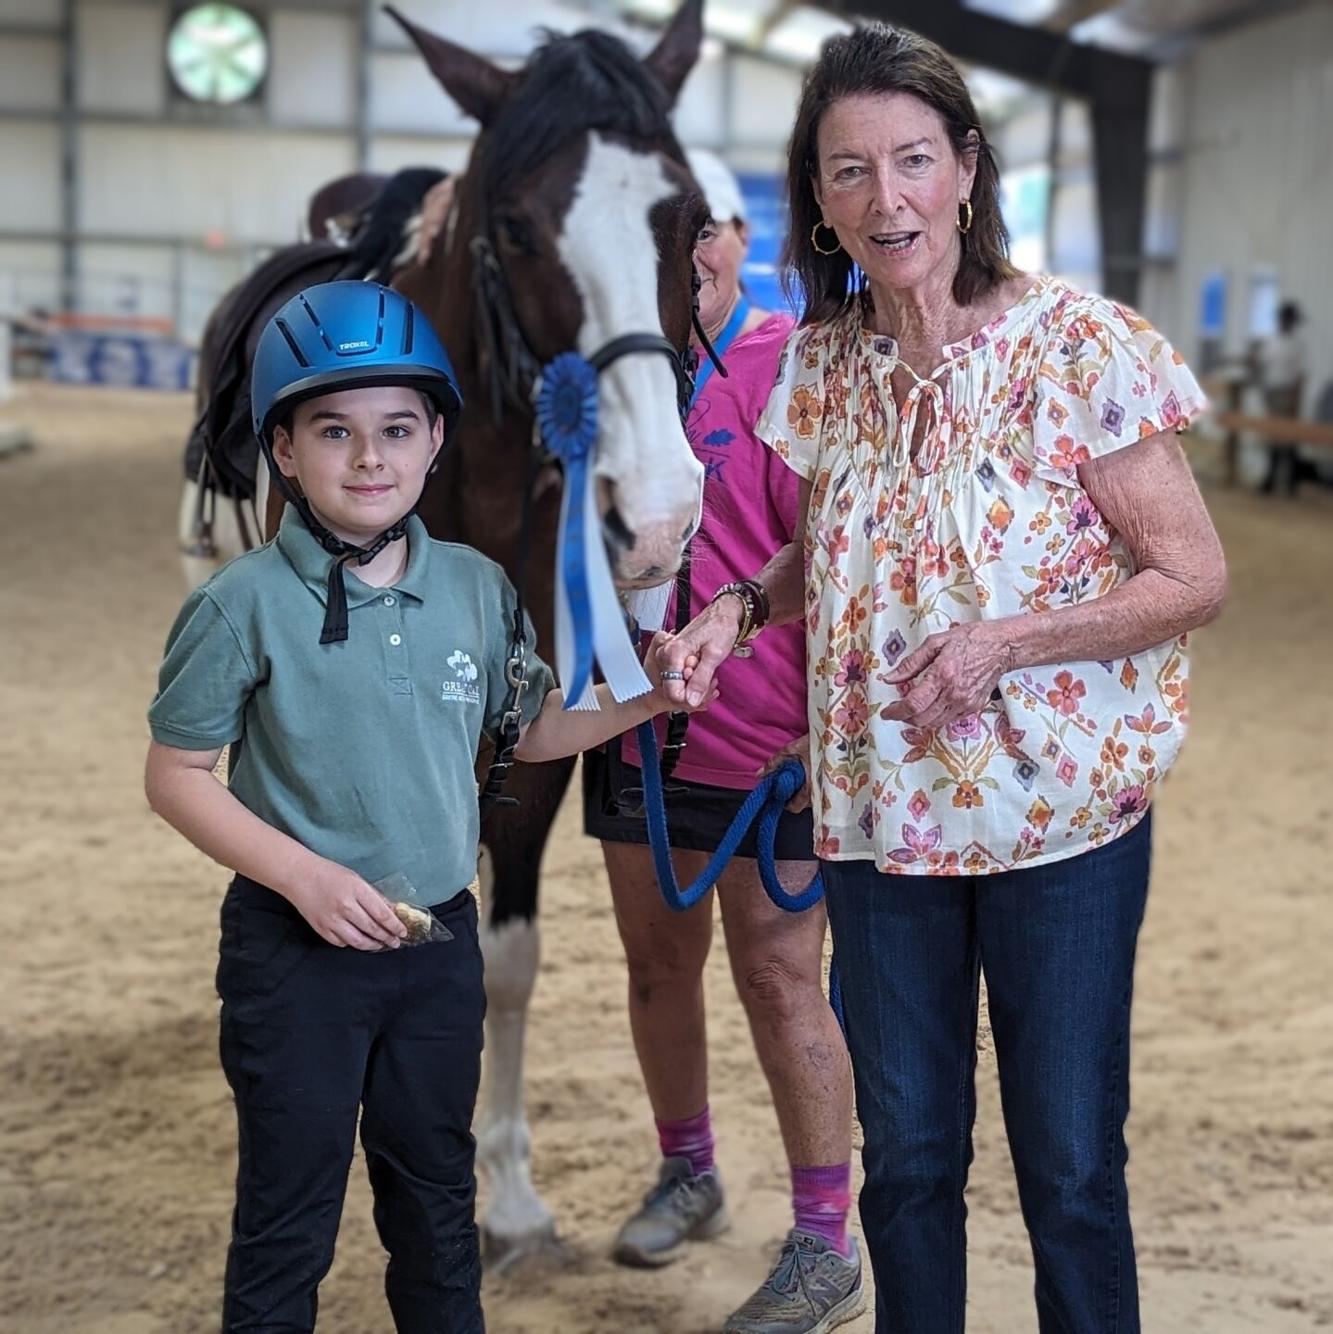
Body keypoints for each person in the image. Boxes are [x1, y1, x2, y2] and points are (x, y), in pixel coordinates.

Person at [662, 26, 1227, 1334]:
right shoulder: (823, 368)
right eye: (849, 171)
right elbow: (835, 546)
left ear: (966, 170)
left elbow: (1190, 575)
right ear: (816, 199)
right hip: (876, 825)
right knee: (907, 1167)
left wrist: (1001, 642)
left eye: (913, 159)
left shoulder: (1084, 347)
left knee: (1071, 1172)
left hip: (1060, 829)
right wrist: (738, 608)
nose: (886, 197)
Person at [144, 281, 710, 1334]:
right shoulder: (239, 604)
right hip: (294, 954)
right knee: (288, 1217)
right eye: (334, 431)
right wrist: (305, 878)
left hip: (436, 947)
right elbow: (174, 775)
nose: (370, 458)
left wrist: (644, 696)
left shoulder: (476, 587)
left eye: (396, 429)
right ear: (282, 450)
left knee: (438, 1214)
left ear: (436, 439)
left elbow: (527, 728)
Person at [582, 148, 862, 1334]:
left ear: (732, 244)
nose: (685, 261)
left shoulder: (794, 363)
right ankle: (688, 1168)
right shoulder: (597, 370)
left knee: (779, 975)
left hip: (766, 738)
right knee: (657, 966)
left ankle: (820, 1239)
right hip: (633, 727)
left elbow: (834, 555)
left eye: (700, 239)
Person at [1257, 299, 1306, 495]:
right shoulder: (1272, 342)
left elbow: (1301, 376)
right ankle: (1271, 478)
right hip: (1272, 392)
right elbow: (1262, 364)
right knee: (1272, 437)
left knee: (1287, 439)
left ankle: (1289, 481)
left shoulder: (1297, 346)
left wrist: (1296, 401)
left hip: (1287, 394)